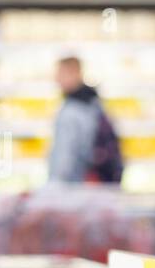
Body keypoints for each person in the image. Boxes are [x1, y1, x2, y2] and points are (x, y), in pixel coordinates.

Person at [48, 55, 123, 185]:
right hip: (94, 183)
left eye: (61, 74)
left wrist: (55, 185)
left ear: (75, 73)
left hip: (76, 186)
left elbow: (65, 155)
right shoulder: (94, 103)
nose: (56, 79)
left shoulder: (73, 110)